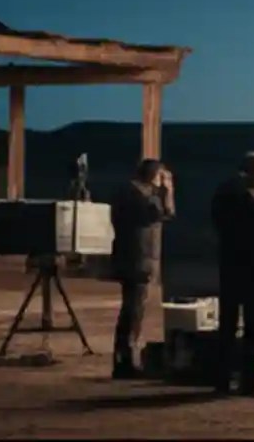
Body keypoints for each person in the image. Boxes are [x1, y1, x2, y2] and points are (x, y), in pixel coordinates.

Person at [211, 151, 254, 396]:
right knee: (251, 324)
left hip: (230, 263)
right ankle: (247, 381)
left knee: (228, 323)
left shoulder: (225, 190)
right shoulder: (242, 193)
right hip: (250, 265)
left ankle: (224, 379)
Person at [109, 158, 175, 379]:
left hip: (134, 258)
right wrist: (167, 191)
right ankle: (125, 360)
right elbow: (162, 213)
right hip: (138, 259)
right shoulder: (140, 195)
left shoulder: (133, 192)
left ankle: (125, 358)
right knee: (133, 311)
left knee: (133, 310)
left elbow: (165, 214)